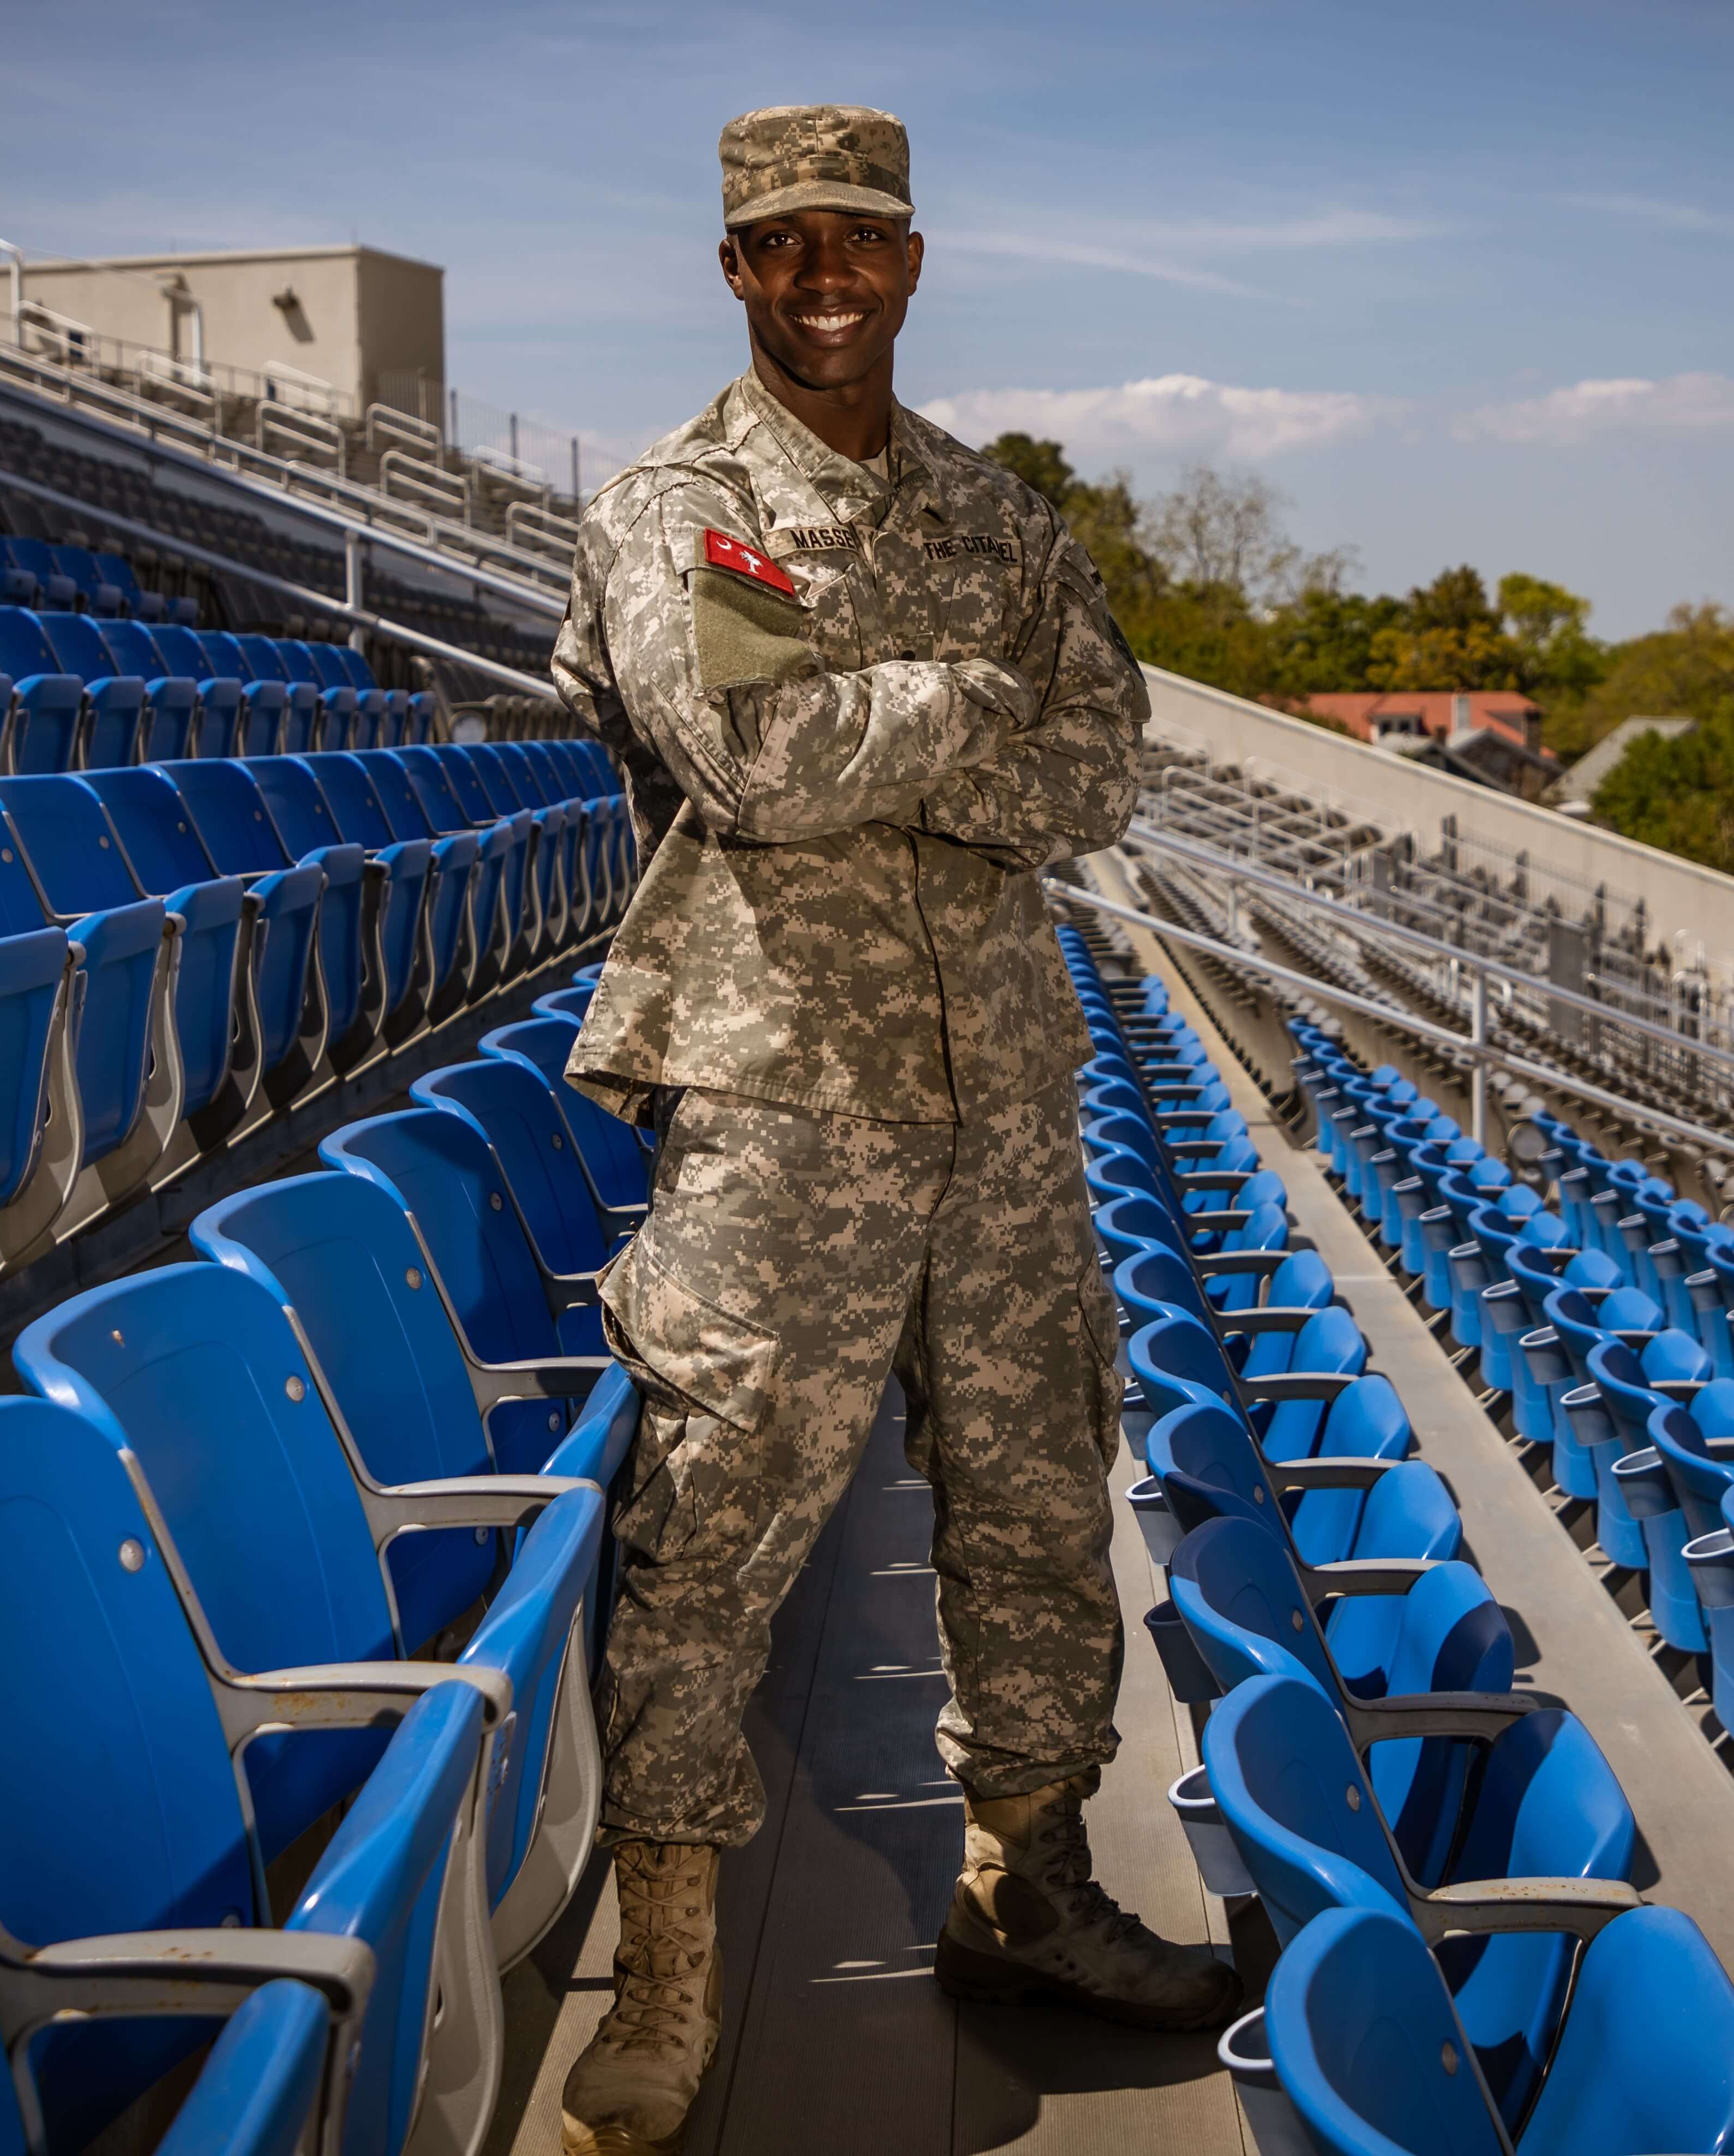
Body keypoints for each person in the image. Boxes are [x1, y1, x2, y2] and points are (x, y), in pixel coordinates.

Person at [547, 105, 1228, 2155]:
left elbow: (1106, 761)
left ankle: (1032, 1881)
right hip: (782, 1097)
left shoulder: (998, 517)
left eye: (859, 242)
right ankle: (665, 1964)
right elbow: (752, 762)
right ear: (734, 270)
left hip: (1001, 1091)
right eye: (781, 246)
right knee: (717, 1524)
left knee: (1035, 1498)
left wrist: (895, 723)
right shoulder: (685, 509)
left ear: (914, 264)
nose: (823, 276)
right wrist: (959, 701)